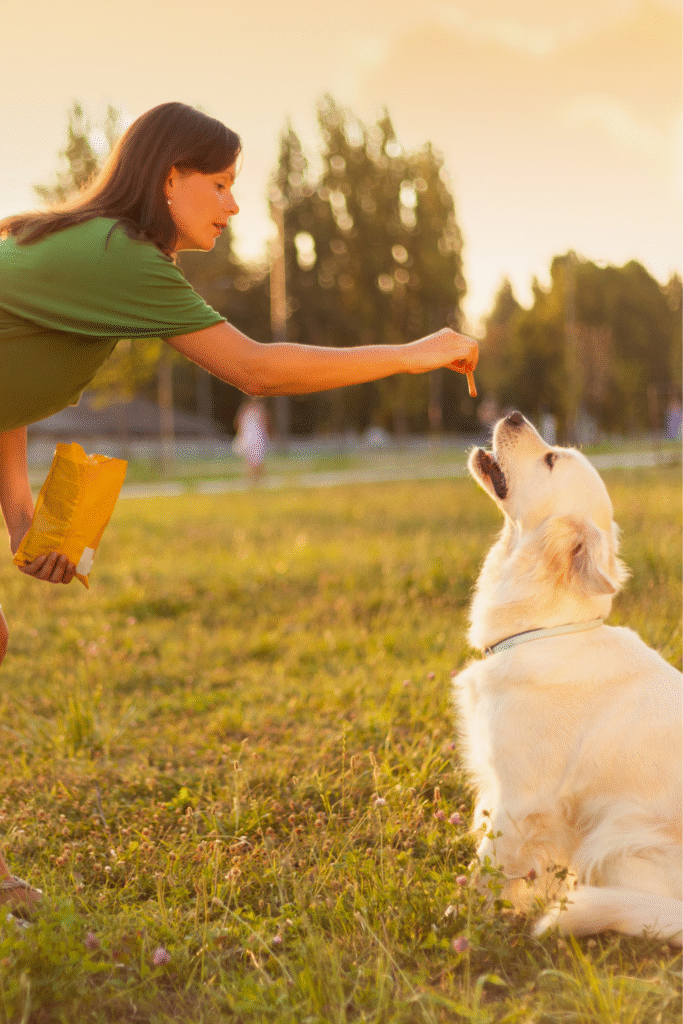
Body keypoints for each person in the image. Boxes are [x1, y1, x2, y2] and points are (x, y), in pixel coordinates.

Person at [0, 102, 478, 913]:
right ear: (169, 179)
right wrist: (408, 355)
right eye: (219, 184)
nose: (231, 205)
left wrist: (22, 516)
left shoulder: (89, 251)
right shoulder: (123, 256)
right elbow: (257, 370)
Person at [233, 397, 270, 482]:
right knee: (253, 460)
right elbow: (238, 423)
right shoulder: (250, 409)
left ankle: (255, 478)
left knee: (255, 459)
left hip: (256, 436)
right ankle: (254, 478)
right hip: (252, 436)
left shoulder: (253, 409)